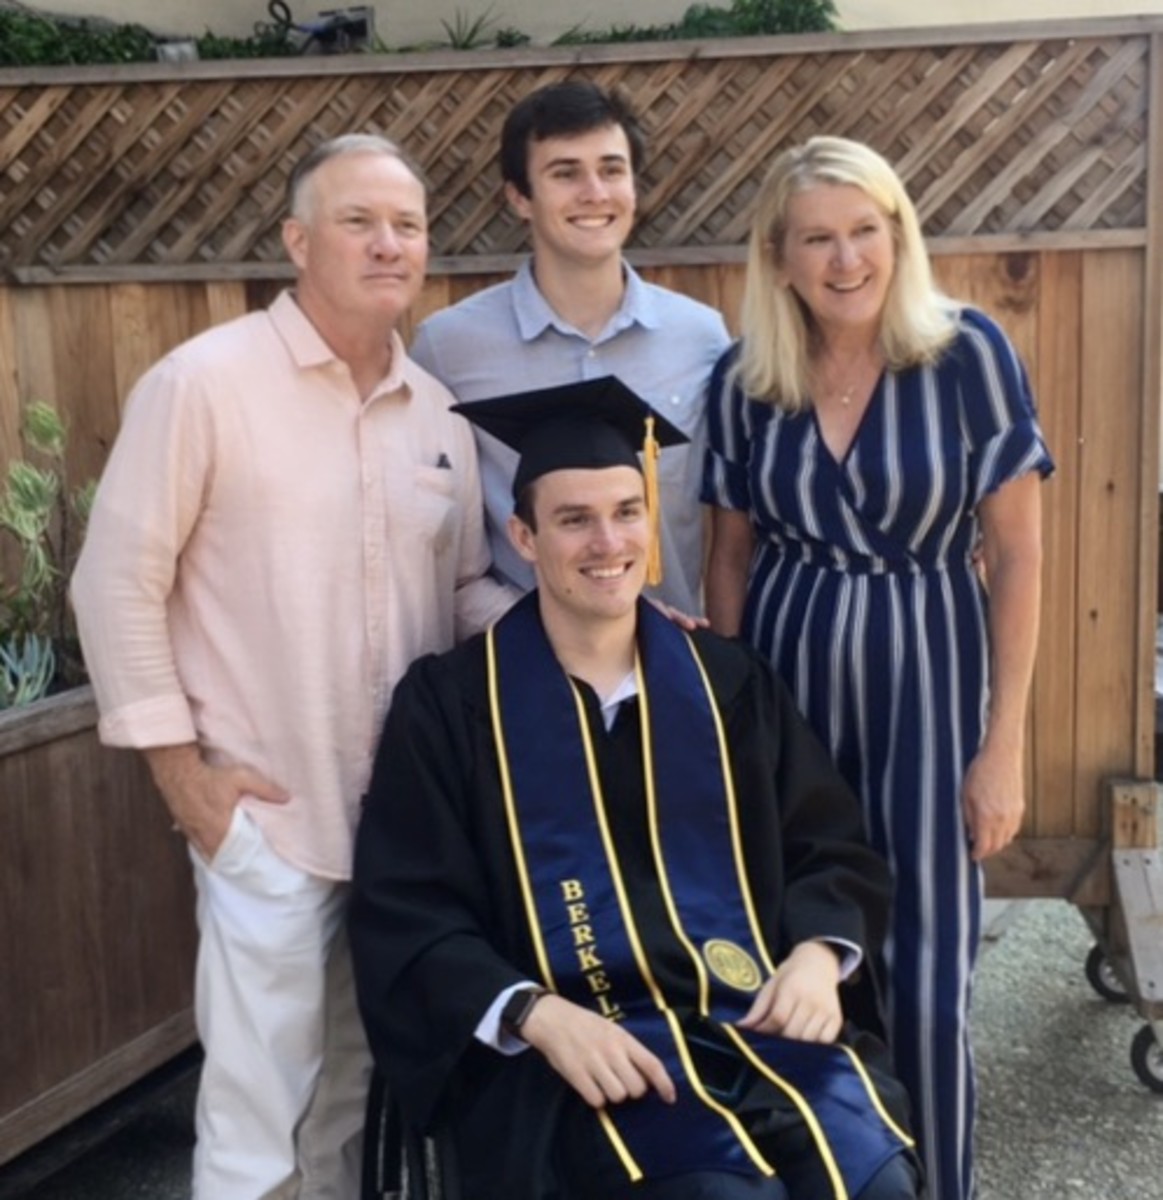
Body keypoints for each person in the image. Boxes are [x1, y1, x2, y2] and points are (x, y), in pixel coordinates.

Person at [349, 376, 920, 1200]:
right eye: (573, 520)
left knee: (876, 1182)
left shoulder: (726, 685)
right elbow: (407, 907)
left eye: (625, 511)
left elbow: (826, 843)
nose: (606, 541)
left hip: (750, 1020)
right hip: (569, 1060)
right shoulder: (452, 707)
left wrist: (814, 955)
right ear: (522, 536)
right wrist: (534, 1014)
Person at [71, 134, 509, 1200]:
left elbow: (460, 596)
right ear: (297, 241)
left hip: (400, 825)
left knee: (349, 1098)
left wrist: (605, 623)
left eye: (406, 225)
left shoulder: (437, 414)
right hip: (266, 816)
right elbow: (115, 584)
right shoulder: (203, 385)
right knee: (256, 1110)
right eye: (358, 222)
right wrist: (185, 779)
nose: (388, 244)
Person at [701, 136, 1054, 1200]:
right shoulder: (745, 380)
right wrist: (730, 730)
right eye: (817, 238)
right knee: (799, 964)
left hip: (931, 690)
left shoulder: (966, 354)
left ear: (898, 236)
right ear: (778, 256)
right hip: (787, 694)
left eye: (865, 230)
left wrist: (1002, 746)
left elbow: (1017, 554)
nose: (845, 258)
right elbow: (728, 557)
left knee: (928, 986)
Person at [410, 80, 730, 614]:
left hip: (671, 651)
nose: (595, 192)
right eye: (565, 173)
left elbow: (734, 526)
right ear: (519, 197)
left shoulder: (701, 339)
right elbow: (428, 536)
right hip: (514, 656)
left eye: (612, 169)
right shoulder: (448, 349)